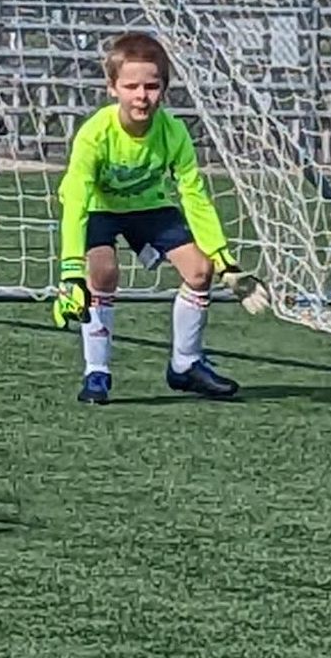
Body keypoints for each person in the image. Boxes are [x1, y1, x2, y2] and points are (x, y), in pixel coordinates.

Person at [52, 31, 269, 404]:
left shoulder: (174, 131)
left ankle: (185, 365)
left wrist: (225, 262)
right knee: (102, 272)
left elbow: (194, 195)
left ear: (164, 88)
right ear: (112, 88)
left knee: (200, 271)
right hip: (100, 209)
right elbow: (75, 200)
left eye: (151, 86)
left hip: (150, 208)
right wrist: (71, 272)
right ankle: (97, 373)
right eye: (131, 86)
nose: (142, 96)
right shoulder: (94, 135)